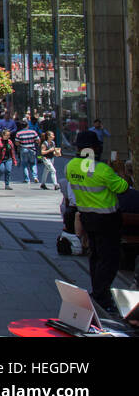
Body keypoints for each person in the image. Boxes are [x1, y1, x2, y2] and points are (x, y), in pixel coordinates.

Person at [66, 131, 129, 314]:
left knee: (95, 257)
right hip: (107, 219)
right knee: (109, 260)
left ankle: (98, 292)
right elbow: (123, 187)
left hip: (87, 217)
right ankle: (101, 296)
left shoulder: (70, 166)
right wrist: (120, 171)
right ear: (94, 148)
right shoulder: (102, 169)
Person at [14, 119, 41, 186]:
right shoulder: (33, 132)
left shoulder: (19, 133)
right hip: (32, 149)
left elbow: (17, 143)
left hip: (24, 149)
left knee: (24, 165)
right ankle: (35, 177)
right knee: (33, 164)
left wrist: (21, 144)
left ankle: (27, 179)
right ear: (27, 125)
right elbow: (38, 140)